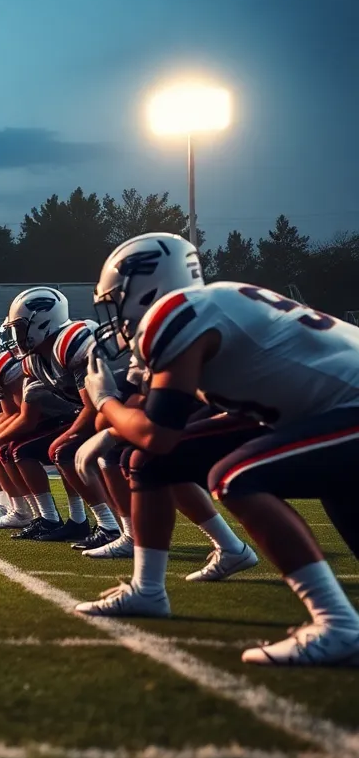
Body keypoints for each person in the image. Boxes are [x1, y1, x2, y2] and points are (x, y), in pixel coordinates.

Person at [76, 231, 359, 666]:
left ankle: (338, 624)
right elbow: (156, 428)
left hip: (347, 407)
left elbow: (156, 429)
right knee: (149, 462)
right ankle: (148, 590)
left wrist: (105, 402)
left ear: (146, 285)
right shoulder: (204, 309)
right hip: (327, 409)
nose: (115, 312)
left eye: (116, 298)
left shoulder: (176, 313)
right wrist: (114, 425)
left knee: (235, 476)